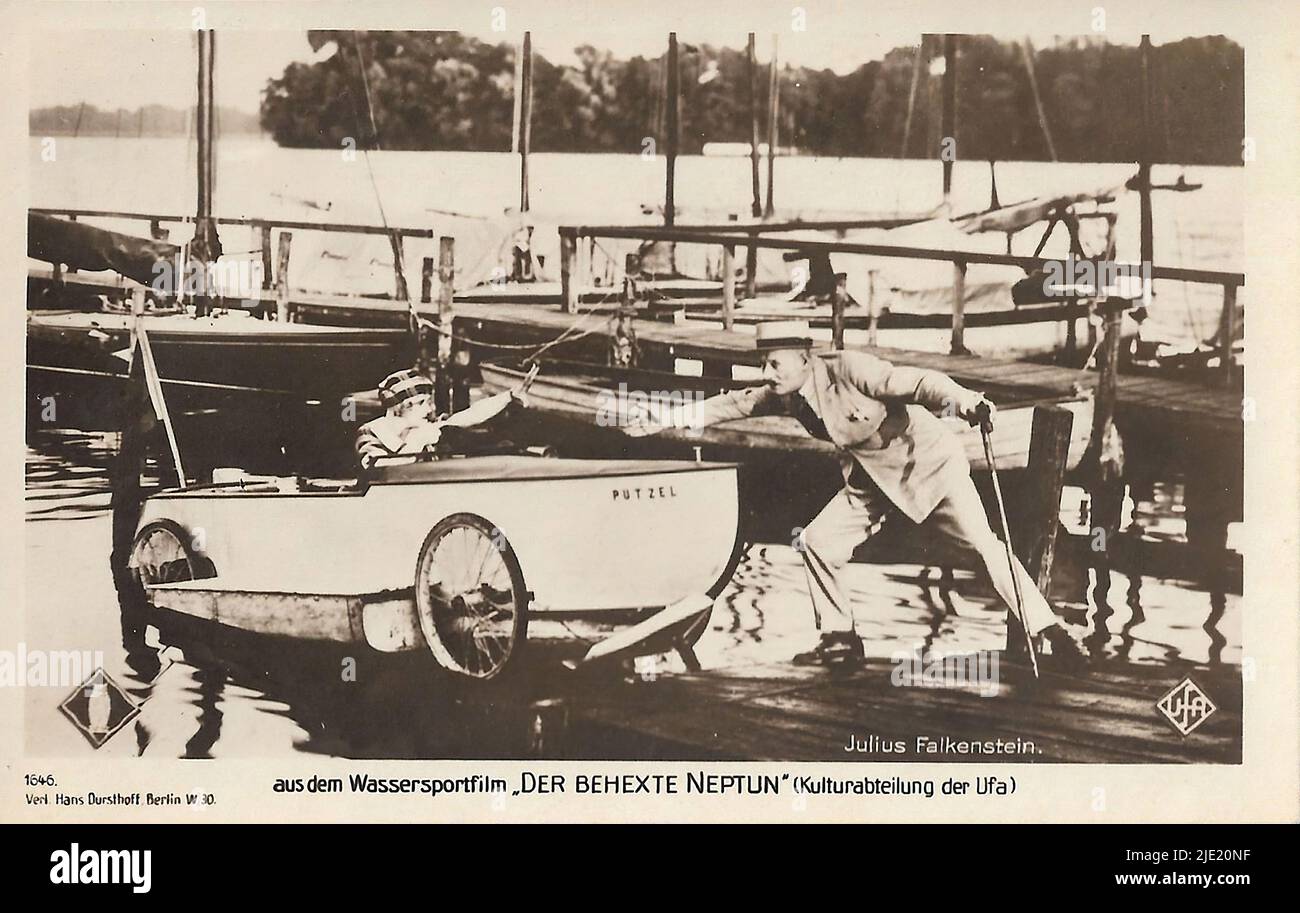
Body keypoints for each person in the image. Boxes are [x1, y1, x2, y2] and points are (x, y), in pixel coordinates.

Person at [624, 321, 1085, 670]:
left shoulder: (849, 368)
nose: (767, 373)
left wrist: (967, 402)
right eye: (764, 364)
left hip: (927, 463)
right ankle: (841, 638)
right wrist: (659, 420)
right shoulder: (783, 393)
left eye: (774, 363)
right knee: (817, 543)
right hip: (870, 477)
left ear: (805, 358)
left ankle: (1050, 630)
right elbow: (731, 404)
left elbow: (920, 383)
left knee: (985, 546)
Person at [354, 368, 526, 470]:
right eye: (421, 403)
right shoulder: (371, 433)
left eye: (428, 402)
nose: (429, 409)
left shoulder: (424, 425)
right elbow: (379, 473)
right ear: (400, 407)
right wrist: (416, 442)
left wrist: (508, 396)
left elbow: (471, 415)